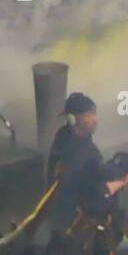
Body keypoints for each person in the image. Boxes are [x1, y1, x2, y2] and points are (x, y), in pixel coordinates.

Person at [46, 92, 103, 226]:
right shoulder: (86, 152)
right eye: (89, 115)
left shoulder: (62, 135)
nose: (95, 120)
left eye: (94, 114)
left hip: (57, 212)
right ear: (74, 119)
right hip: (72, 219)